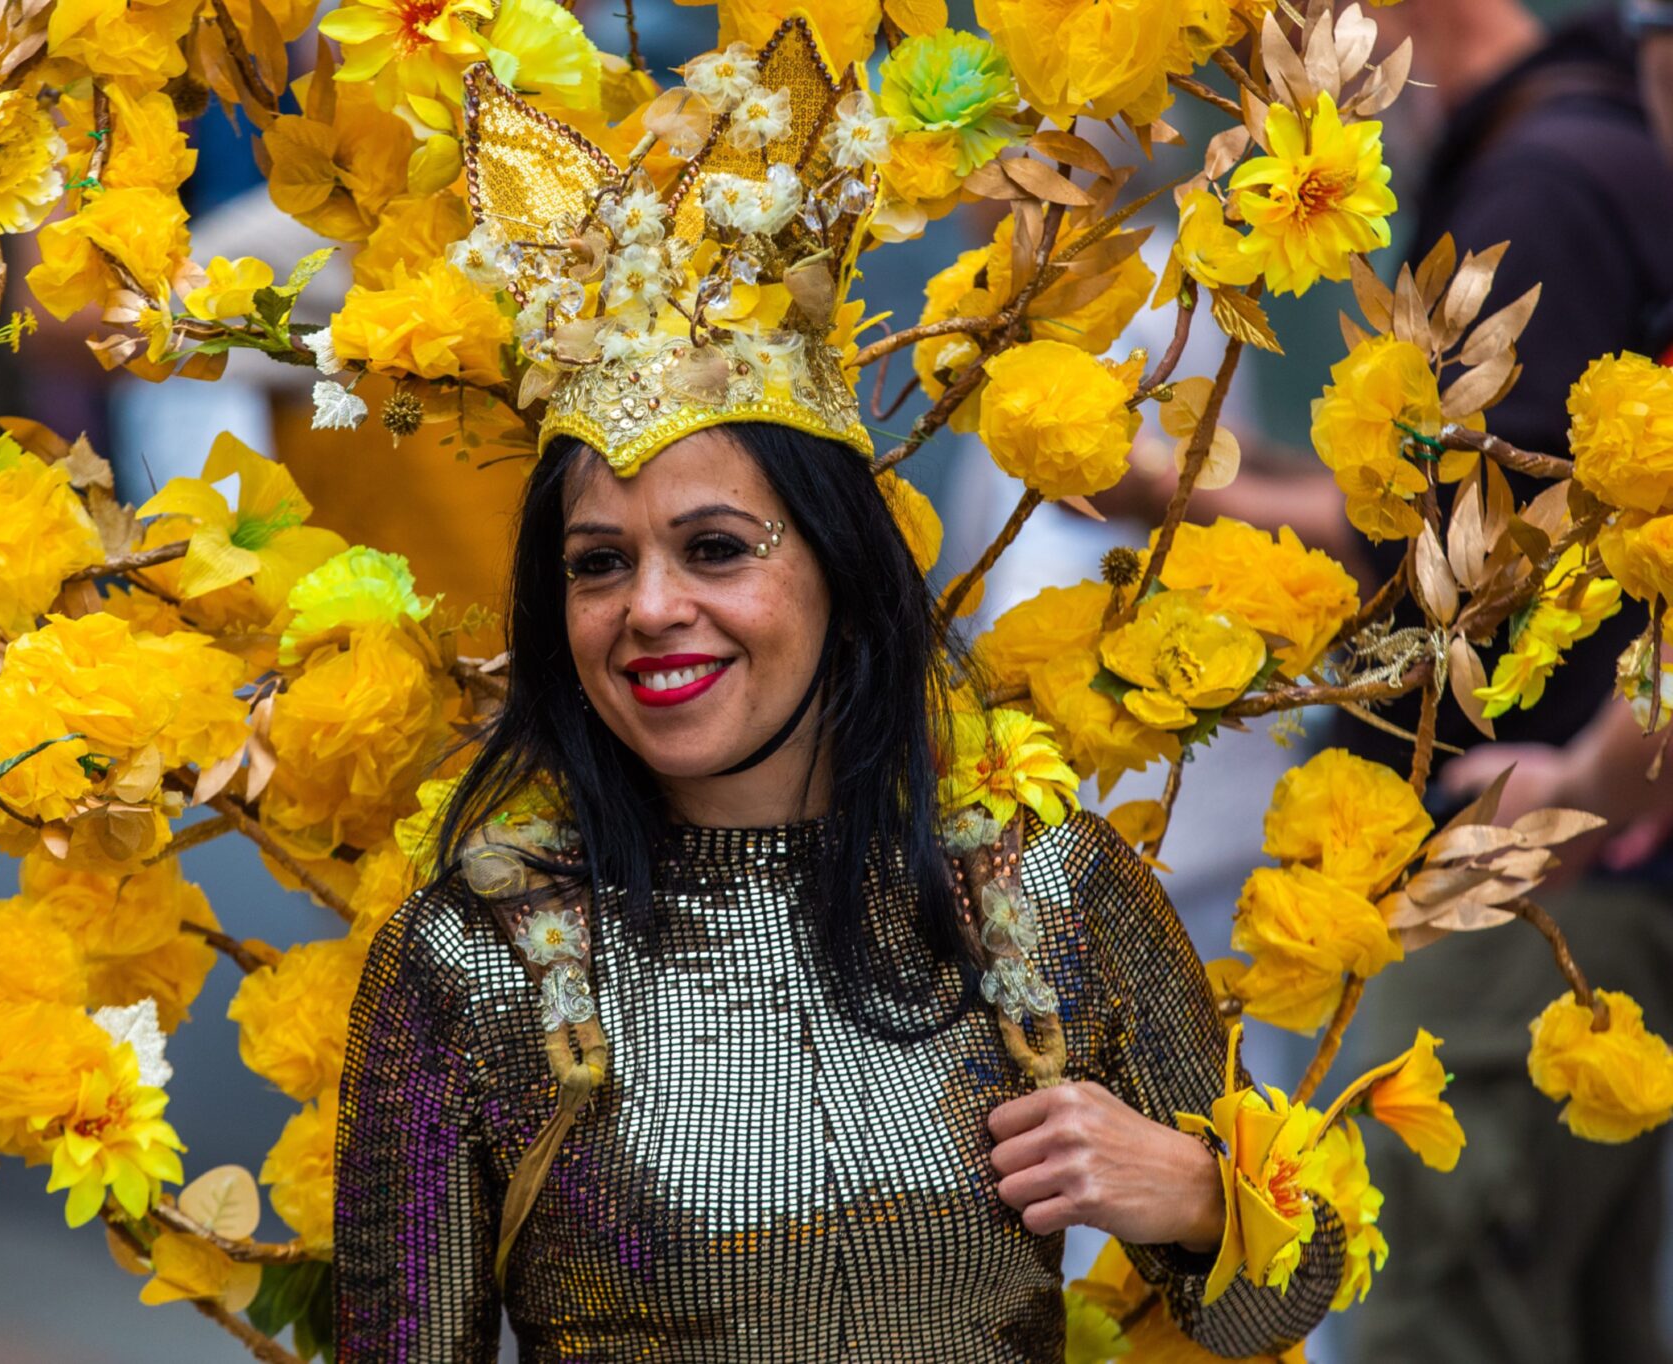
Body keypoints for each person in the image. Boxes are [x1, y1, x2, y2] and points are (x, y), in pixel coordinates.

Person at [332, 27, 1344, 1360]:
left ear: (840, 572)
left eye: (713, 549)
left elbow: (1280, 1295)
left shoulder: (1042, 895)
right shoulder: (477, 956)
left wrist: (1202, 1196)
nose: (647, 609)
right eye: (596, 565)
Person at [1336, 2, 1673, 1360]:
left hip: (1546, 892)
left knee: (1444, 1299)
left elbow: (1491, 552)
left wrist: (1582, 784)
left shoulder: (1543, 183)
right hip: (1589, 862)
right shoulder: (1589, 151)